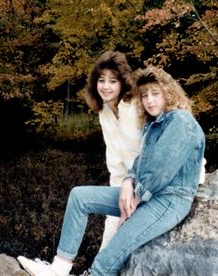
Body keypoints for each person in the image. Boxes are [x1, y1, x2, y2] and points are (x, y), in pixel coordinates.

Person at [17, 65, 205, 276]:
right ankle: (59, 268)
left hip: (170, 199)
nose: (149, 100)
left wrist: (132, 203)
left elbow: (160, 172)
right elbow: (140, 163)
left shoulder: (181, 121)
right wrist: (128, 181)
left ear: (168, 94)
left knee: (111, 253)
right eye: (144, 95)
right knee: (79, 197)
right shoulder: (153, 125)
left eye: (155, 94)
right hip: (147, 194)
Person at [84, 50, 142, 249]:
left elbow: (153, 152)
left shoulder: (137, 105)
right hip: (126, 183)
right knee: (112, 223)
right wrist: (120, 198)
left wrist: (132, 186)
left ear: (123, 83)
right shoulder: (105, 112)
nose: (106, 87)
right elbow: (115, 163)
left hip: (151, 182)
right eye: (101, 80)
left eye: (113, 81)